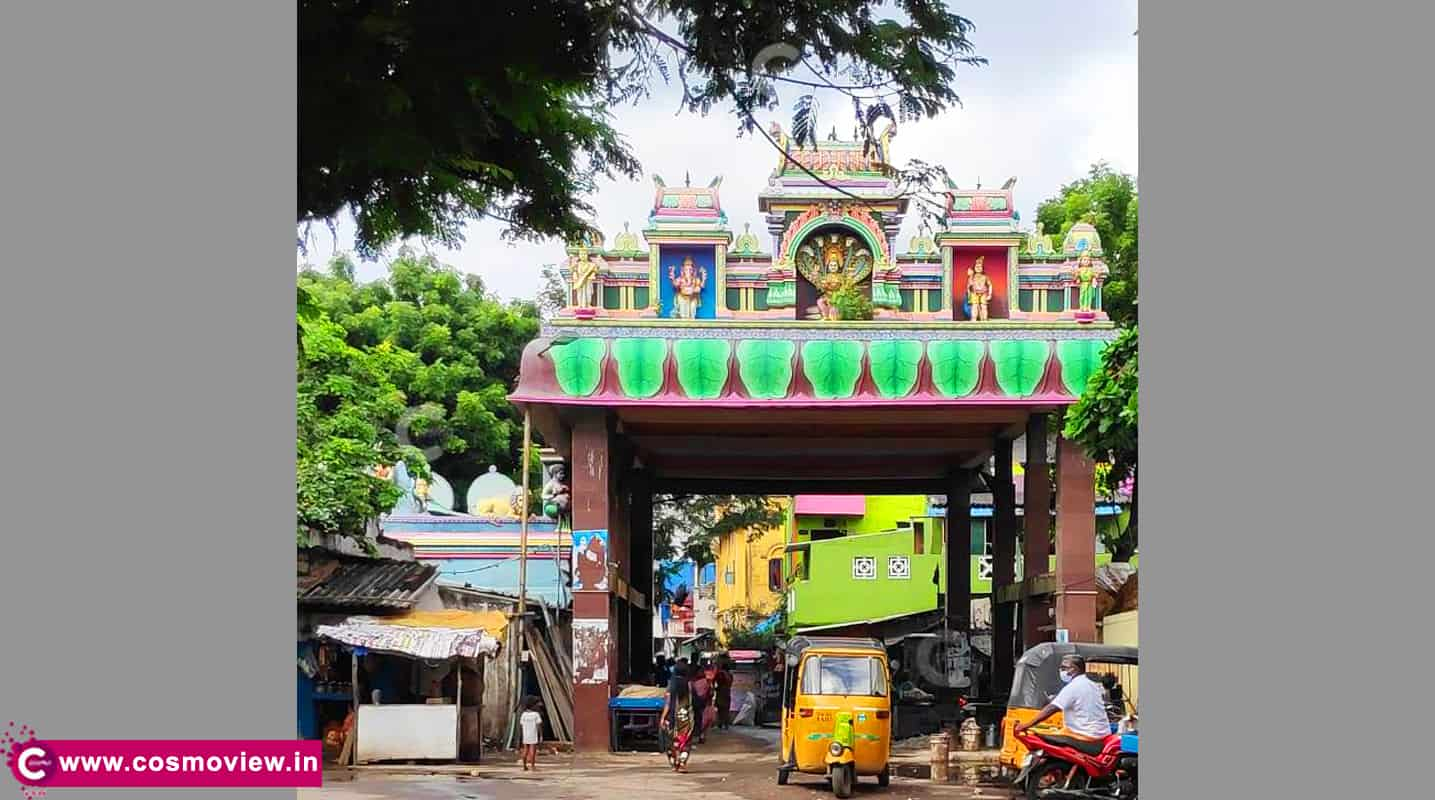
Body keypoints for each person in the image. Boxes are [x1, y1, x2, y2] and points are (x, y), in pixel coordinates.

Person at [1013, 655, 1112, 741]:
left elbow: (1051, 708)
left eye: (1064, 668)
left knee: (1042, 737)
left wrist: (1027, 725)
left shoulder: (1074, 686)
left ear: (1074, 669)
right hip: (1101, 733)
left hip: (1084, 734)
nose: (1061, 671)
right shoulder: (1091, 684)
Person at [661, 663, 695, 773]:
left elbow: (667, 703)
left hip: (672, 719)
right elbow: (695, 701)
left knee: (671, 742)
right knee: (686, 742)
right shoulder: (690, 685)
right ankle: (682, 764)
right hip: (686, 719)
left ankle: (674, 763)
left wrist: (662, 718)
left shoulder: (671, 685)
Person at [691, 661, 714, 743]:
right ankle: (701, 735)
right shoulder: (700, 682)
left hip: (703, 703)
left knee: (705, 720)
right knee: (703, 720)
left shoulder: (706, 682)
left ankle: (701, 735)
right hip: (701, 703)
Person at [519, 696, 544, 772]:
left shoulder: (523, 714)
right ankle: (533, 767)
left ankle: (524, 766)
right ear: (533, 705)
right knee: (532, 750)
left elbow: (521, 725)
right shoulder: (536, 714)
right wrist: (541, 735)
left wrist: (521, 735)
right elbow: (539, 726)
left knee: (525, 750)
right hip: (533, 734)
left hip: (525, 734)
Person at [713, 660, 733, 730]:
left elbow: (716, 681)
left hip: (721, 692)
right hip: (727, 692)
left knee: (720, 708)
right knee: (726, 709)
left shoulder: (721, 673)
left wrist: (715, 688)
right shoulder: (730, 675)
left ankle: (720, 724)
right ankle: (726, 724)